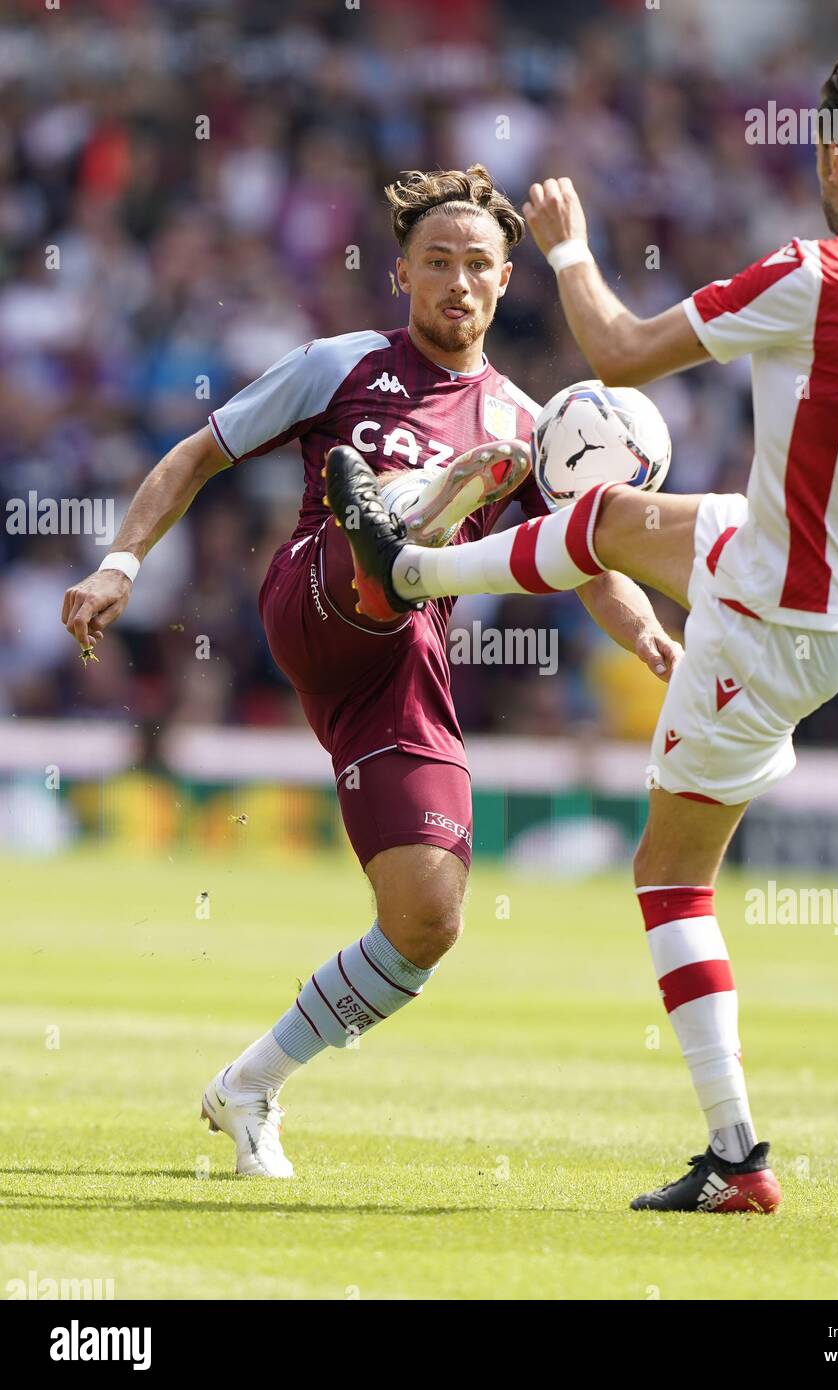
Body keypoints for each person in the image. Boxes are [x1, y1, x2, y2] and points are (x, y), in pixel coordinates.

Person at [328, 52, 838, 1213]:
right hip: (817, 583)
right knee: (612, 517)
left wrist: (568, 247)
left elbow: (621, 353)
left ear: (830, 154)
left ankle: (739, 1158)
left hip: (765, 624)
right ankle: (414, 560)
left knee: (667, 874)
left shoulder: (814, 272)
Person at [60, 165, 676, 1178]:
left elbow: (584, 561)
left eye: (477, 266)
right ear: (400, 273)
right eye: (437, 263)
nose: (458, 283)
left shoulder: (528, 424)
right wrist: (120, 559)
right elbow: (193, 457)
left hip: (403, 666)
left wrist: (645, 632)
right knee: (375, 550)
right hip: (316, 594)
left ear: (506, 279)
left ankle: (249, 1085)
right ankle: (396, 516)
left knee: (426, 922)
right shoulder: (337, 365)